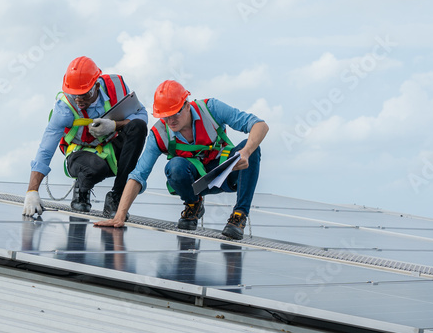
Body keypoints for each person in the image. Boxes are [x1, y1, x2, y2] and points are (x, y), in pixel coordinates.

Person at [95, 80, 268, 240]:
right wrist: (119, 216)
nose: (170, 120)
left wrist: (245, 153)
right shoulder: (160, 133)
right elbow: (138, 175)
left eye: (175, 114)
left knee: (251, 148)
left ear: (186, 105)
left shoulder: (211, 109)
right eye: (165, 116)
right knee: (175, 166)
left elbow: (260, 125)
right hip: (193, 183)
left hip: (226, 173)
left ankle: (239, 216)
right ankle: (193, 205)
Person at [23, 56, 147, 218]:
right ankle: (82, 187)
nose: (78, 100)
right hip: (80, 154)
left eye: (84, 94)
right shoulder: (65, 107)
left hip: (110, 149)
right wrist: (32, 190)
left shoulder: (116, 87)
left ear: (96, 85)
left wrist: (115, 125)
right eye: (74, 95)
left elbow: (141, 115)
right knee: (94, 169)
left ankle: (116, 197)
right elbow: (45, 149)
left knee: (138, 126)